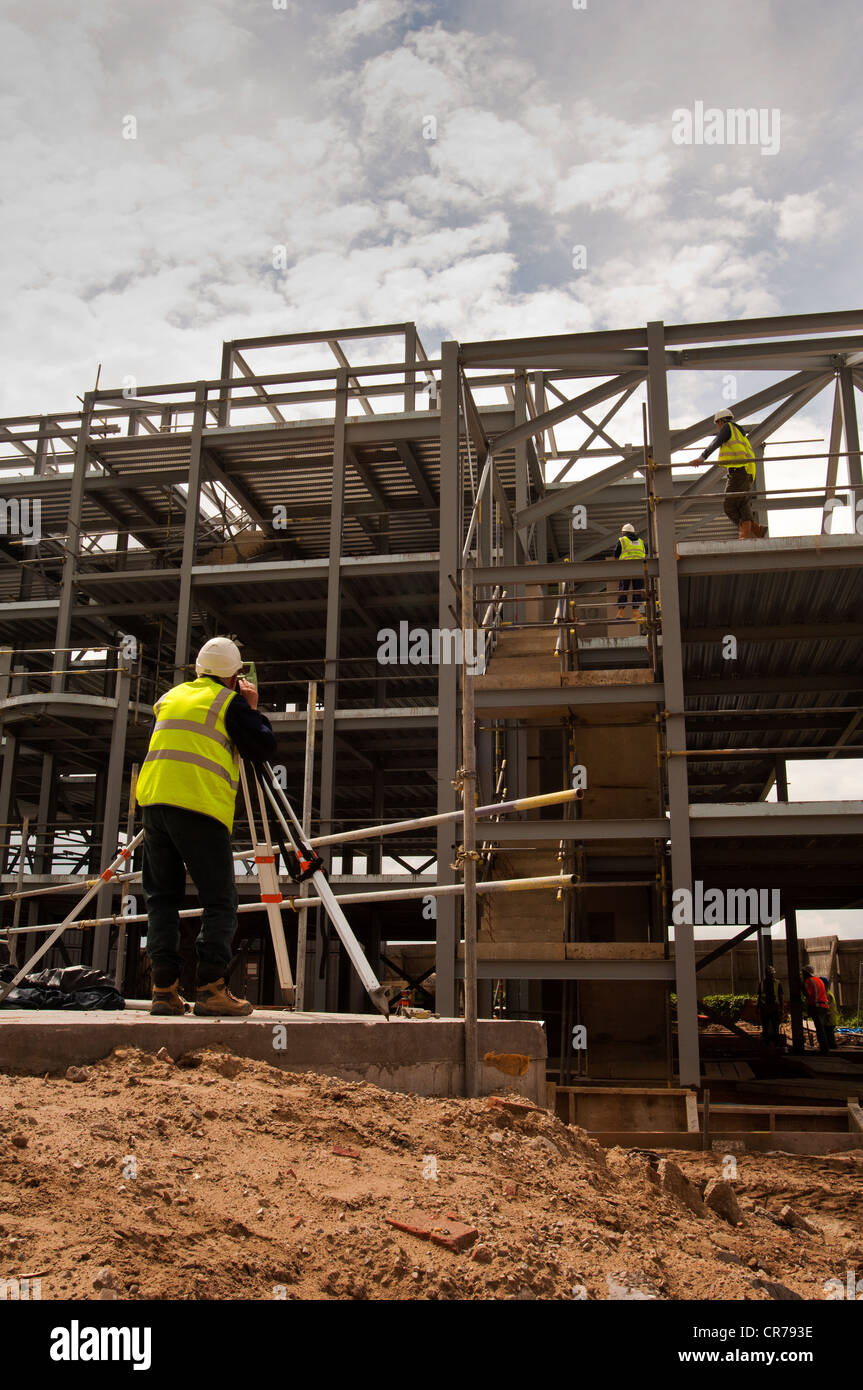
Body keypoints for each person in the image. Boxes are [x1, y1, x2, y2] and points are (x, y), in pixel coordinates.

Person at [136, 636, 278, 1017]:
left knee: (161, 898)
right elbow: (261, 747)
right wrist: (251, 709)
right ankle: (211, 988)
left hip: (153, 803)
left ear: (198, 670)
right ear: (234, 677)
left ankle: (163, 990)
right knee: (219, 899)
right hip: (198, 805)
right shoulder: (228, 701)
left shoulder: (169, 697)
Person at [696, 408, 766, 540]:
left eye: (717, 424)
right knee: (742, 504)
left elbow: (716, 442)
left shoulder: (728, 428)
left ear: (721, 421)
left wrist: (702, 457)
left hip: (738, 472)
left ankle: (748, 532)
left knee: (729, 506)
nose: (718, 427)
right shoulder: (740, 434)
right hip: (747, 472)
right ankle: (757, 529)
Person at [614, 523, 647, 620]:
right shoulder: (641, 542)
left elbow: (616, 554)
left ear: (623, 533)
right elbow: (646, 552)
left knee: (623, 589)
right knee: (637, 589)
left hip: (625, 568)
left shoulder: (622, 540)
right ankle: (636, 612)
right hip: (639, 568)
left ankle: (620, 612)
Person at [801, 965, 831, 1054]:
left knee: (820, 1029)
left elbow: (807, 994)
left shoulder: (808, 981)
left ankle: (824, 1049)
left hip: (816, 1007)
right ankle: (825, 1047)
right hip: (823, 1007)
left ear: (806, 973)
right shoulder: (819, 980)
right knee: (821, 1028)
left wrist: (801, 986)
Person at [756, 965, 783, 1047]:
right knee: (766, 1027)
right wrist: (757, 1008)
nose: (771, 975)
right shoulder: (762, 983)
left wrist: (781, 1009)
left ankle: (775, 1043)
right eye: (770, 974)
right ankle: (767, 1043)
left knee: (775, 1027)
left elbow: (781, 996)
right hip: (765, 1008)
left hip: (774, 1007)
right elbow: (760, 997)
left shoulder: (777, 983)